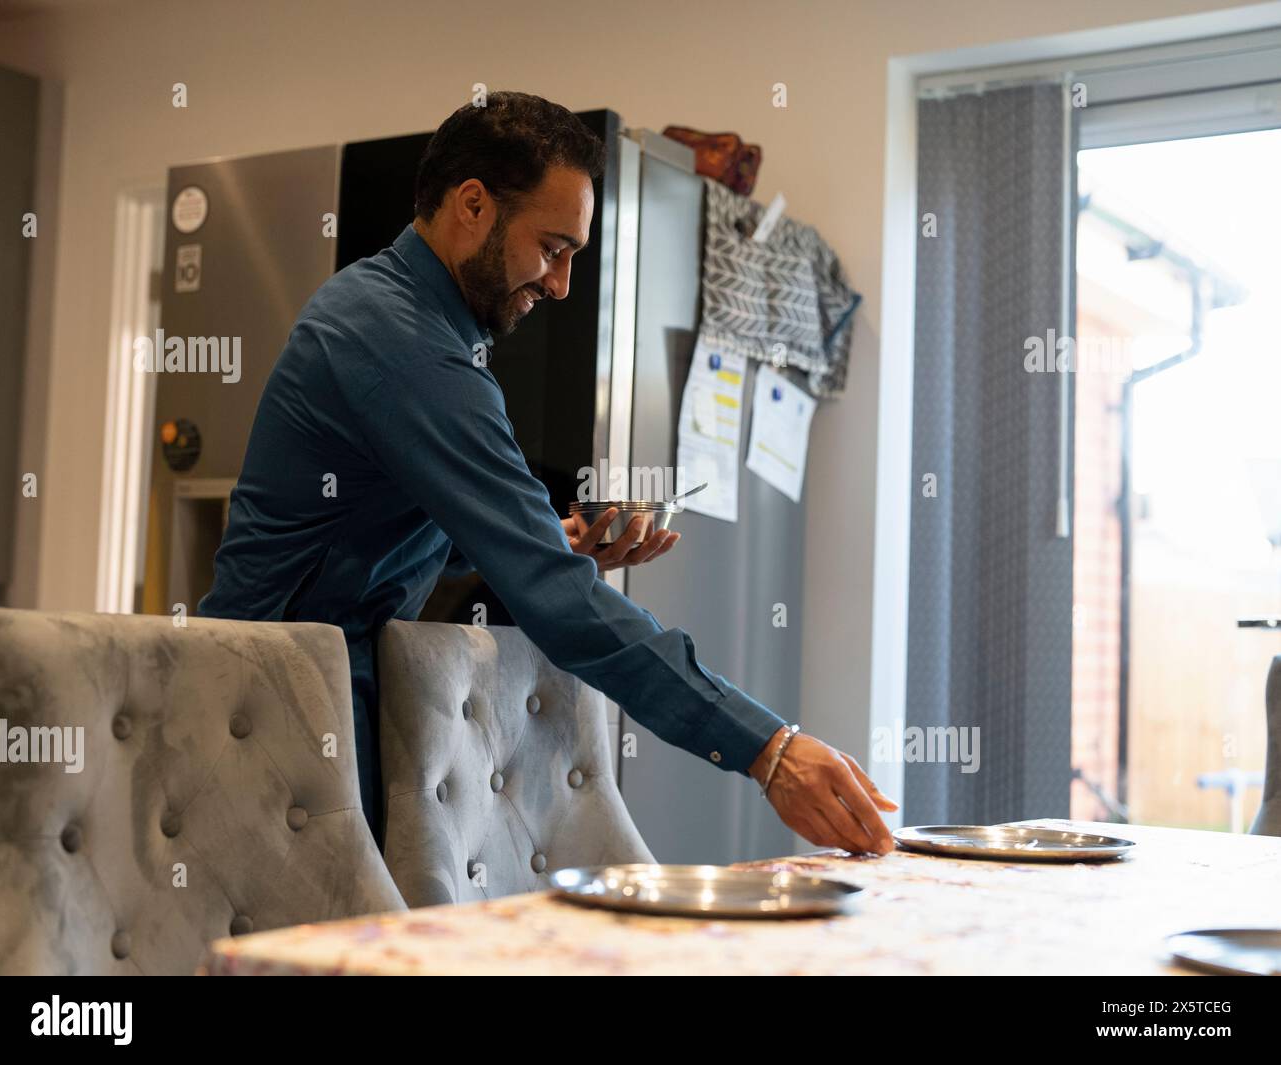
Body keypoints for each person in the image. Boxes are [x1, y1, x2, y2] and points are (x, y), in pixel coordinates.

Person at [199, 90, 896, 856]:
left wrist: (549, 540)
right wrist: (768, 748)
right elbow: (558, 606)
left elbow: (397, 528)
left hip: (317, 697)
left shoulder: (419, 321)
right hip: (265, 711)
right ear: (472, 205)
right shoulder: (404, 342)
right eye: (553, 247)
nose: (561, 284)